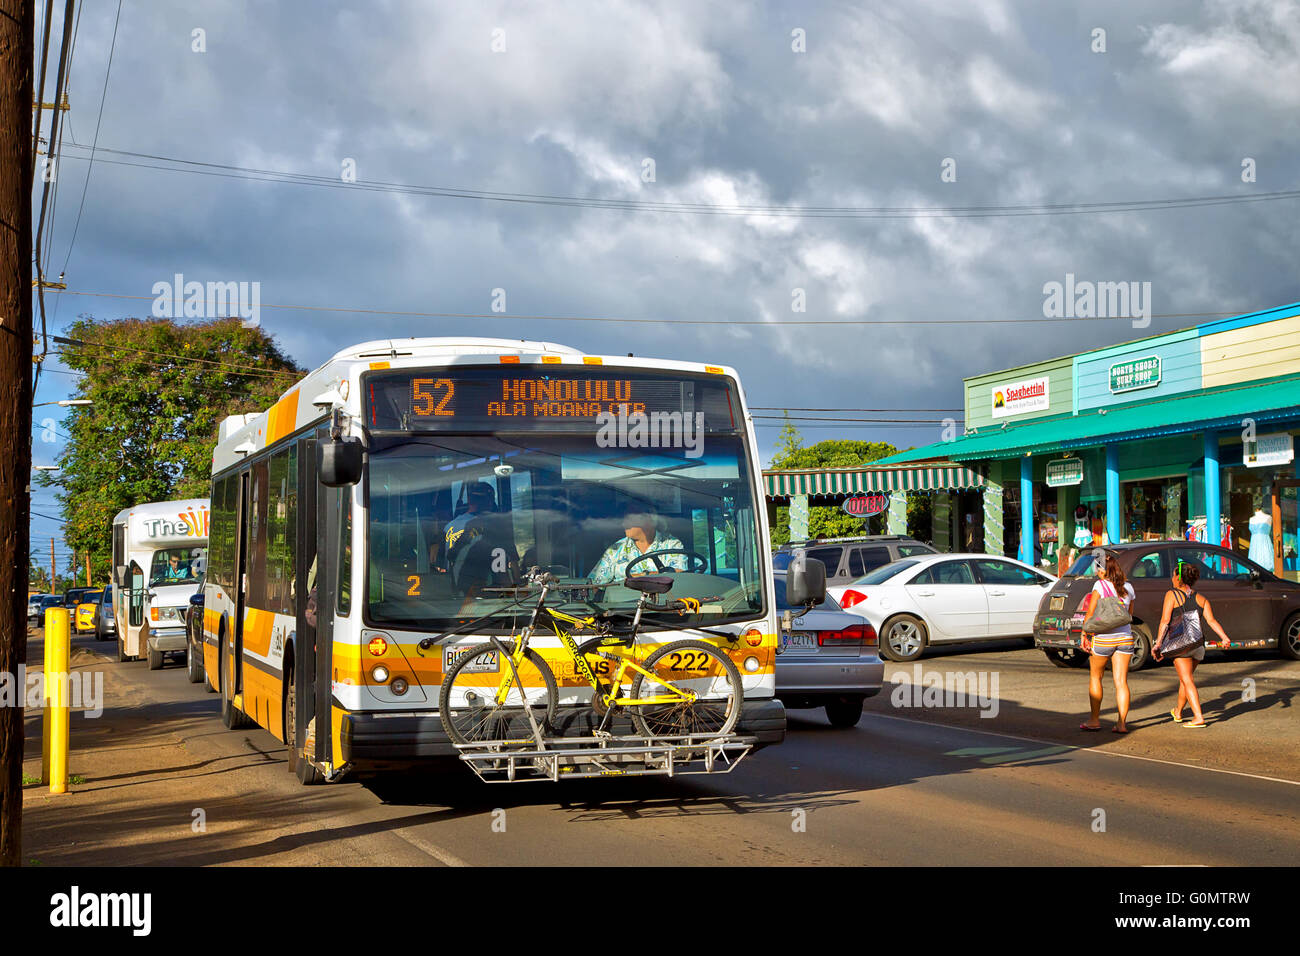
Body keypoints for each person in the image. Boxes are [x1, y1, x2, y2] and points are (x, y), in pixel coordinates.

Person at [1153, 559, 1232, 728]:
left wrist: (1158, 643)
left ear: (1178, 578)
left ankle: (1198, 717)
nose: (1172, 578)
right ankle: (1178, 712)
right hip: (1197, 645)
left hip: (1181, 645)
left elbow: (1165, 621)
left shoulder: (1171, 595)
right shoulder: (1202, 598)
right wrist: (1224, 637)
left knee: (1187, 680)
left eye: (1174, 574)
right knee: (1185, 679)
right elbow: (1211, 621)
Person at [1079, 551, 1137, 733]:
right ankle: (1121, 724)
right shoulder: (1129, 588)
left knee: (1096, 677)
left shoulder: (1100, 585)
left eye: (1097, 568)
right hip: (1125, 638)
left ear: (1103, 570)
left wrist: (1084, 633)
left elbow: (1090, 612)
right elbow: (1130, 616)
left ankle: (1094, 720)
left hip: (1103, 638)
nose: (1096, 572)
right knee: (1121, 682)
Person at [439, 482, 515, 594]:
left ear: (469, 500)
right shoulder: (494, 527)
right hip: (487, 594)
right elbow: (509, 568)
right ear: (490, 501)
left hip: (455, 594)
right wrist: (512, 589)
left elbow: (444, 565)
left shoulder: (449, 527)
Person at [589, 509, 687, 585]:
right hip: (622, 608)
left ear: (650, 520)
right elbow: (595, 585)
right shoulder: (615, 550)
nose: (624, 524)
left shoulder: (671, 544)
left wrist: (644, 575)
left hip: (664, 607)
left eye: (630, 519)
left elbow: (680, 576)